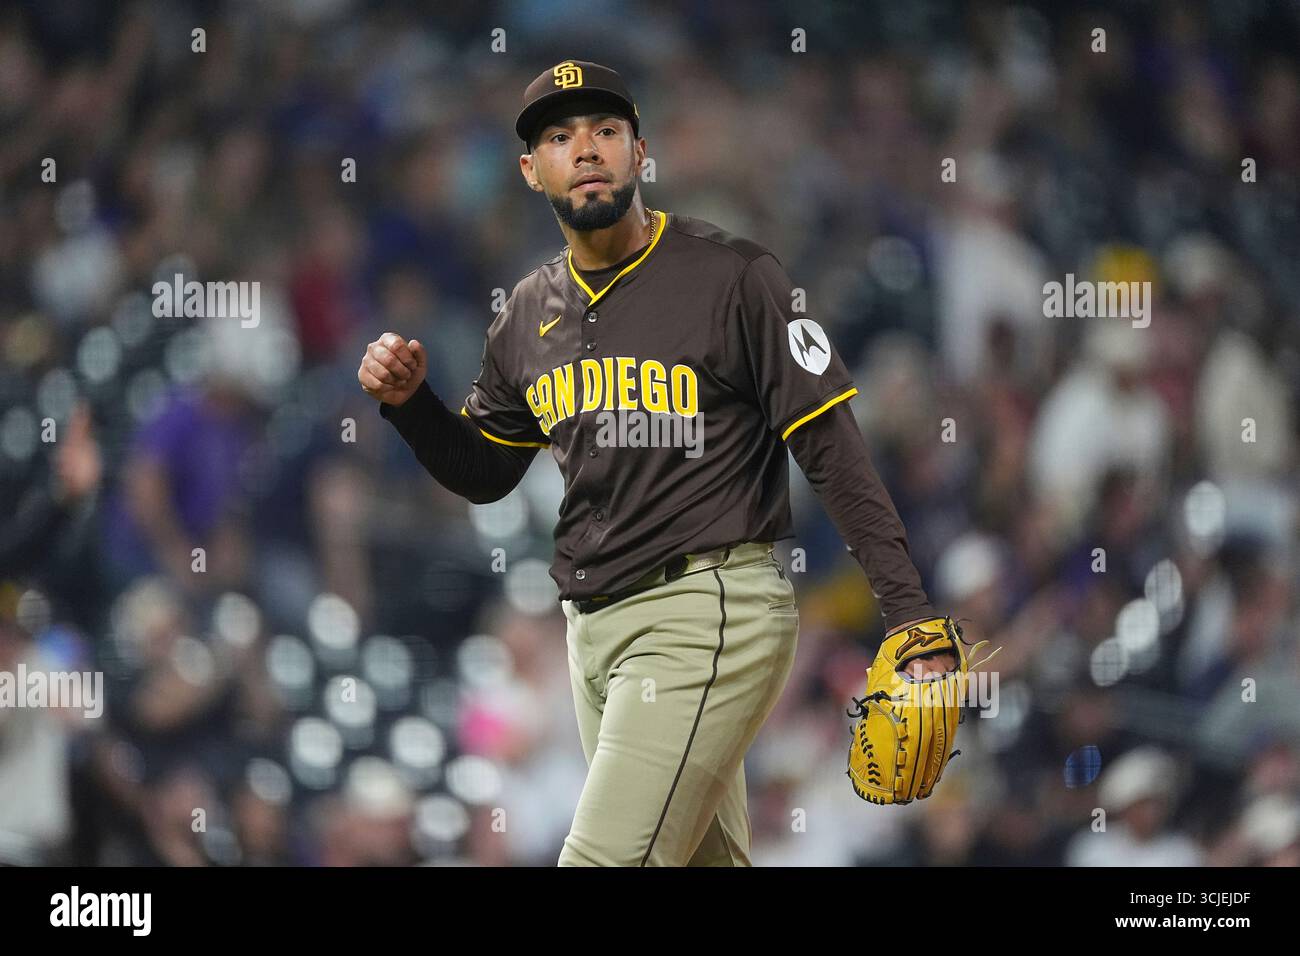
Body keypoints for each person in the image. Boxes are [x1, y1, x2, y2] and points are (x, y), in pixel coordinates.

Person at [359, 60, 953, 866]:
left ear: (641, 152)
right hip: (592, 633)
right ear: (532, 170)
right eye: (560, 137)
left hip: (706, 608)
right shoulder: (528, 312)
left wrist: (909, 612)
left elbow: (829, 445)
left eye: (606, 130)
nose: (588, 149)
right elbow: (487, 469)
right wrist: (412, 408)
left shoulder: (735, 278)